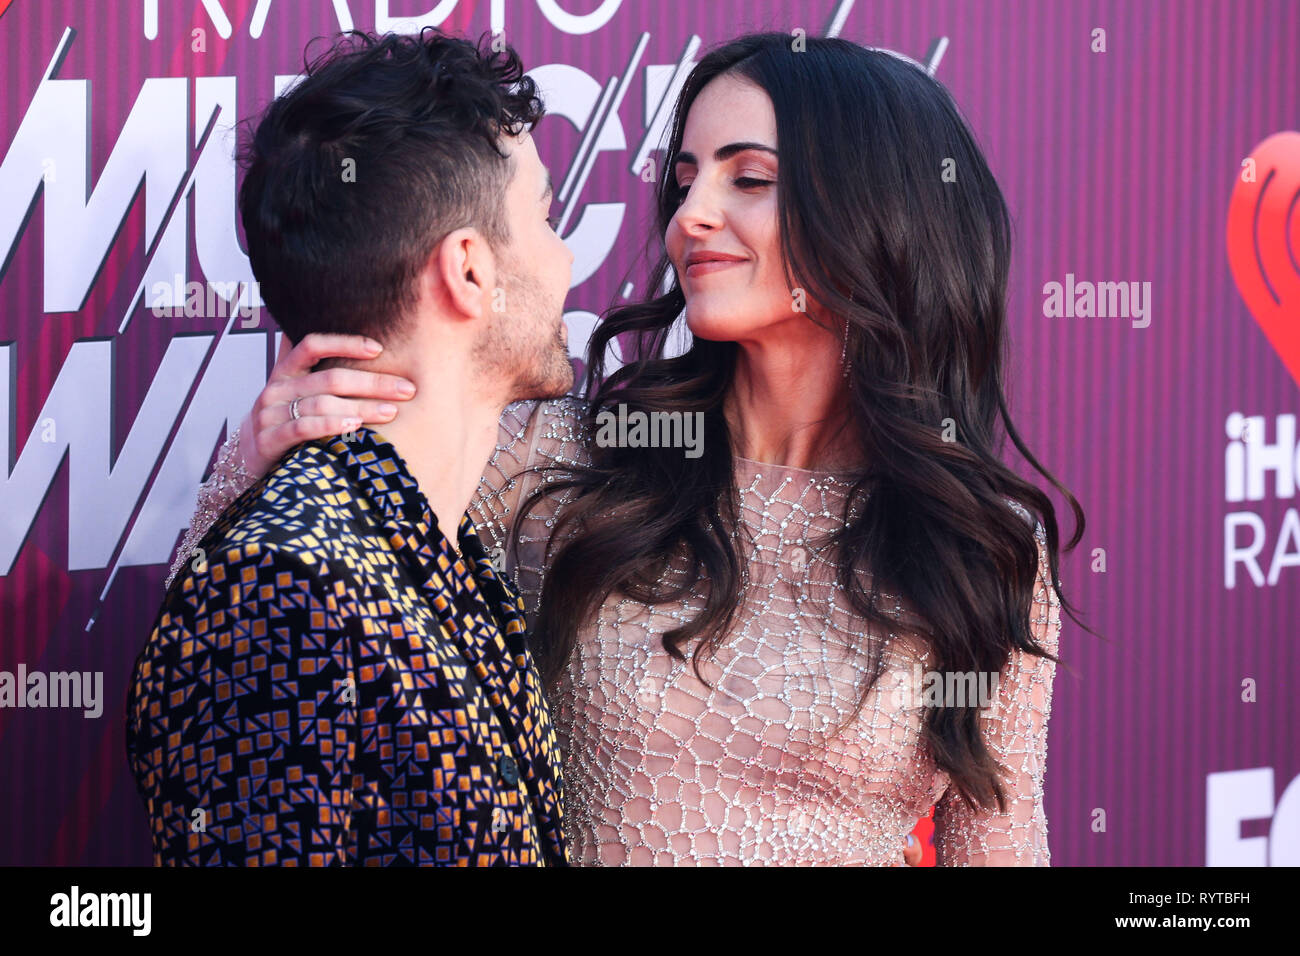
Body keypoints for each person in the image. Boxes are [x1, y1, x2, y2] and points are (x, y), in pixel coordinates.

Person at [171, 32, 1085, 866]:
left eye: (748, 179)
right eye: (684, 179)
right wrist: (252, 463)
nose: (690, 215)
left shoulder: (981, 543)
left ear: (880, 211)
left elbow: (1001, 845)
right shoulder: (573, 462)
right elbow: (245, 647)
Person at [127, 29, 575, 865]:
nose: (567, 257)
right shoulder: (283, 587)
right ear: (469, 271)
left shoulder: (452, 552)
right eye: (546, 217)